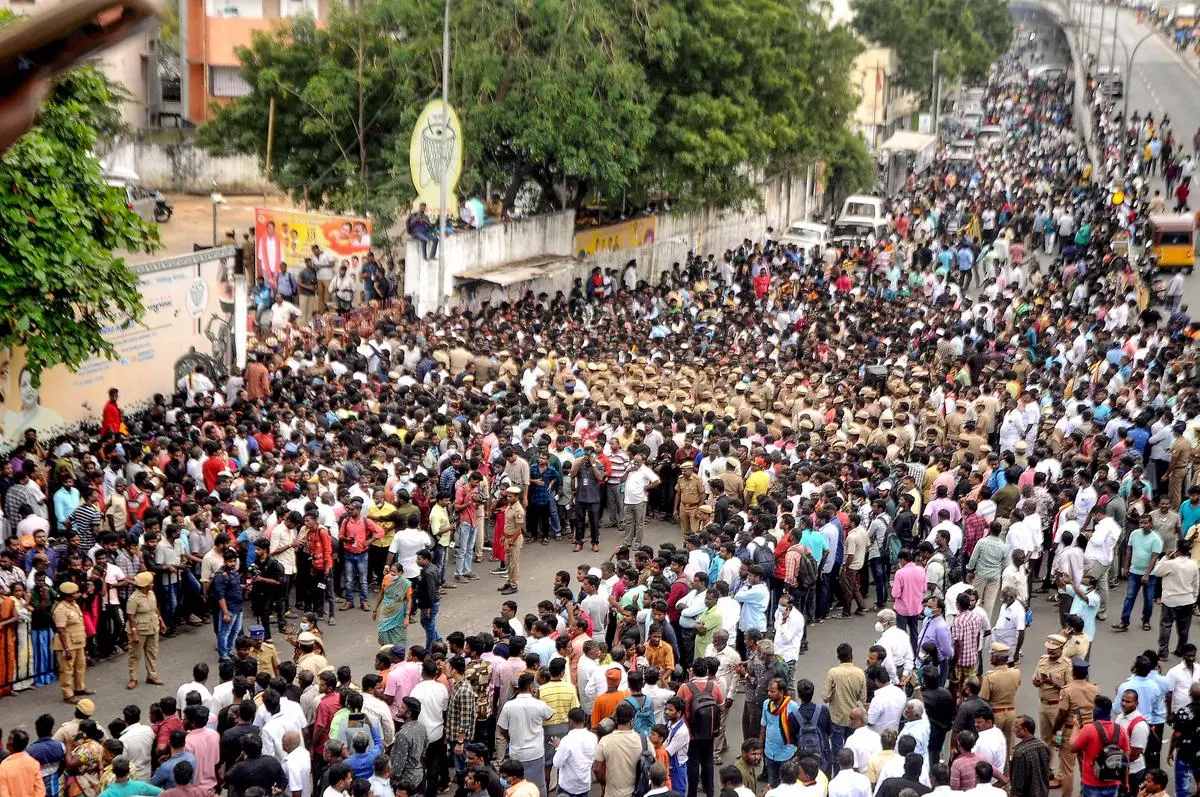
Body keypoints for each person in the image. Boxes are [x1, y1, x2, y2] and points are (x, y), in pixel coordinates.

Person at [592, 702, 643, 797]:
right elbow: (652, 763)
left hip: (612, 793)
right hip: (636, 793)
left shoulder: (605, 741)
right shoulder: (643, 740)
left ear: (615, 721)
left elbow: (596, 768)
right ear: (632, 721)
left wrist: (603, 782)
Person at [126, 571, 165, 690]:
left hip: (152, 626)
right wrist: (134, 633)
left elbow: (155, 608)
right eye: (150, 583)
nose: (152, 584)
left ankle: (151, 676)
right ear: (144, 585)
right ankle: (133, 678)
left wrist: (161, 621)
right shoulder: (134, 598)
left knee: (152, 652)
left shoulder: (151, 593)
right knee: (135, 655)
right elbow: (131, 616)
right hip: (139, 629)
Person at [52, 581, 89, 704]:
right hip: (67, 644)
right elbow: (61, 630)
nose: (78, 594)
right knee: (66, 669)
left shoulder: (74, 605)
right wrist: (66, 649)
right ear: (67, 595)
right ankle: (67, 694)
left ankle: (79, 687)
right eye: (75, 593)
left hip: (78, 642)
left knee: (80, 665)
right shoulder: (61, 609)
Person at [1008, 715, 1050, 797]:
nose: (1013, 729)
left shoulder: (1020, 753)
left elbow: (1017, 786)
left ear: (1025, 730)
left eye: (1016, 727)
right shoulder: (1043, 746)